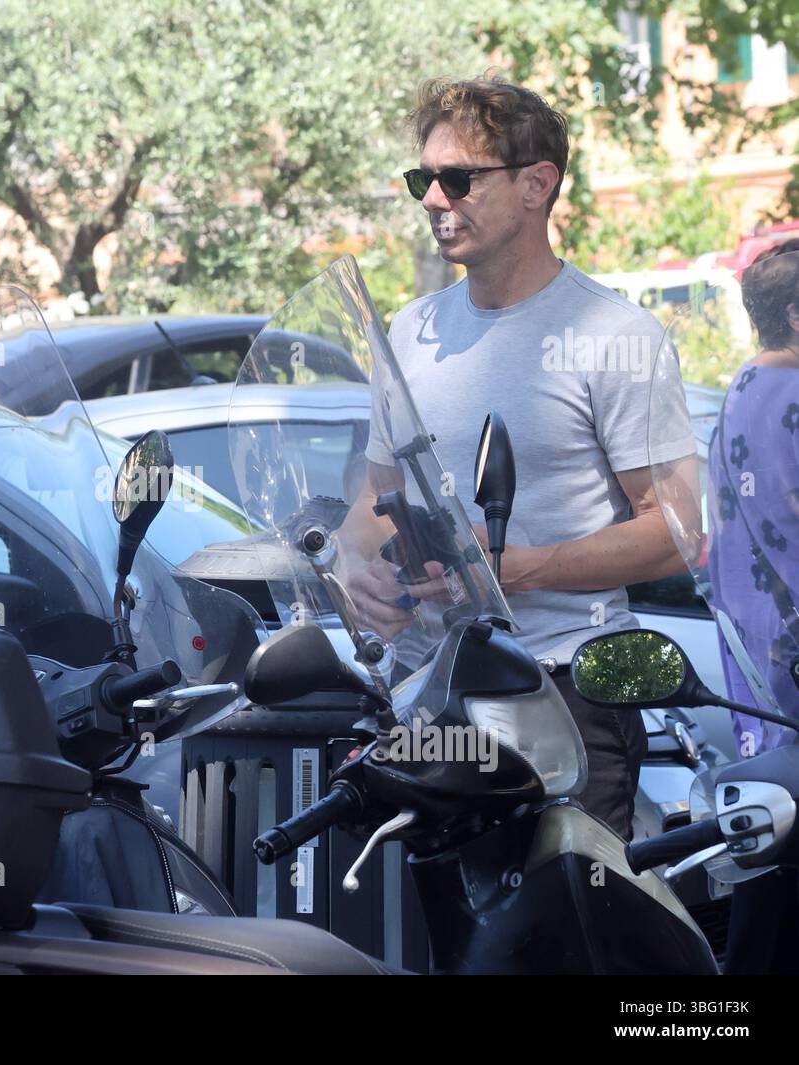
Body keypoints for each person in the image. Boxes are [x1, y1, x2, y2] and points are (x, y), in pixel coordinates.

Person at [341, 75, 697, 840]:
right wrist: (357, 577)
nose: (435, 198)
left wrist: (513, 569)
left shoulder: (613, 334)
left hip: (569, 688)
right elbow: (374, 505)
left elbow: (676, 530)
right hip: (434, 692)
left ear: (538, 184)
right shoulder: (409, 329)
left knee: (561, 939)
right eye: (422, 180)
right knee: (451, 944)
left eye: (458, 178)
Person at [707, 240, 799, 973]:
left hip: (756, 673)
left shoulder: (738, 393)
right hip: (791, 671)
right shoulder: (794, 401)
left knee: (769, 878)